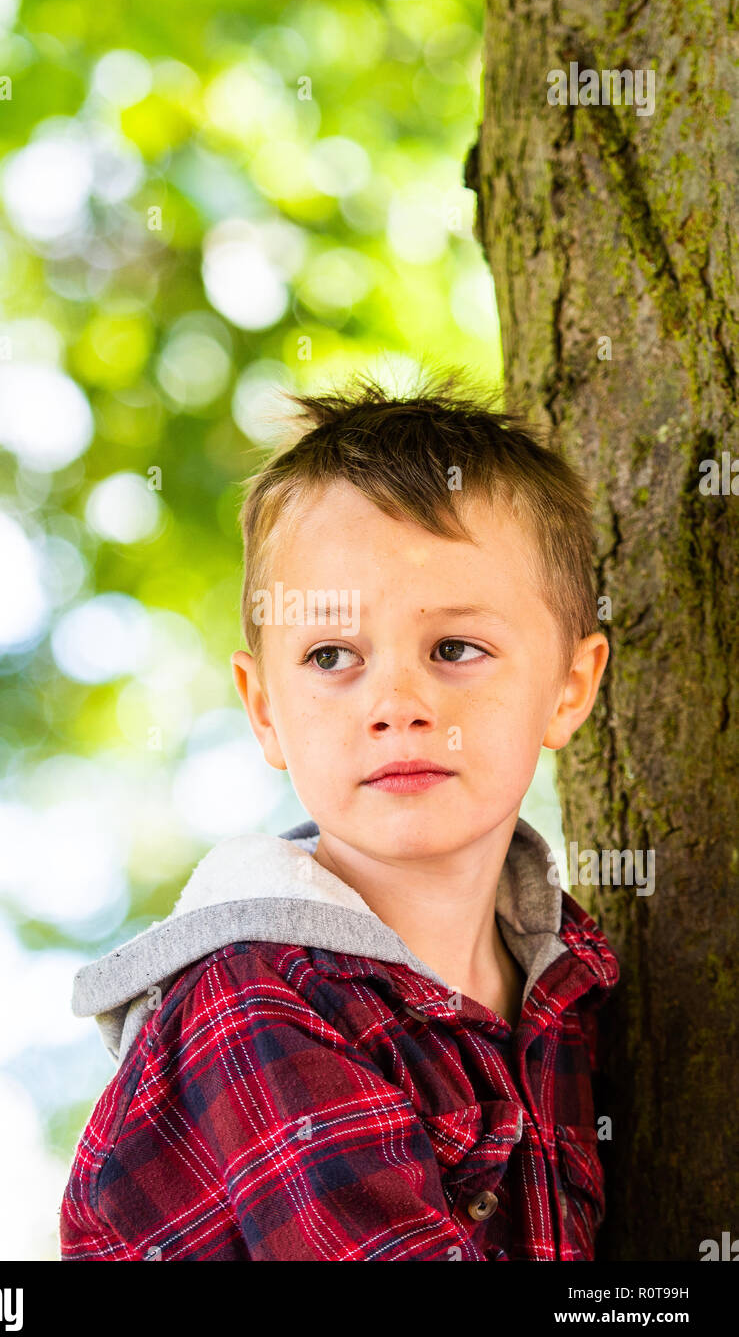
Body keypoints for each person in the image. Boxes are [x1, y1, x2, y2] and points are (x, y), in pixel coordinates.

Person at [59, 370, 619, 1261]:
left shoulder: (568, 979)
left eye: (456, 648)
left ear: (569, 687)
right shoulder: (255, 992)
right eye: (331, 655)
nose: (396, 703)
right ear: (265, 709)